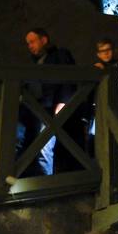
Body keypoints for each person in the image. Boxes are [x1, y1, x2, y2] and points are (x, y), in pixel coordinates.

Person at [23, 27, 76, 176]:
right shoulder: (33, 62)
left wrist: (63, 101)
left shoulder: (60, 55)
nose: (30, 46)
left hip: (51, 107)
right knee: (38, 146)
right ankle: (41, 180)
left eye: (32, 42)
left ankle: (46, 182)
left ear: (44, 40)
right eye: (28, 43)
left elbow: (69, 77)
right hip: (37, 108)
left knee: (44, 147)